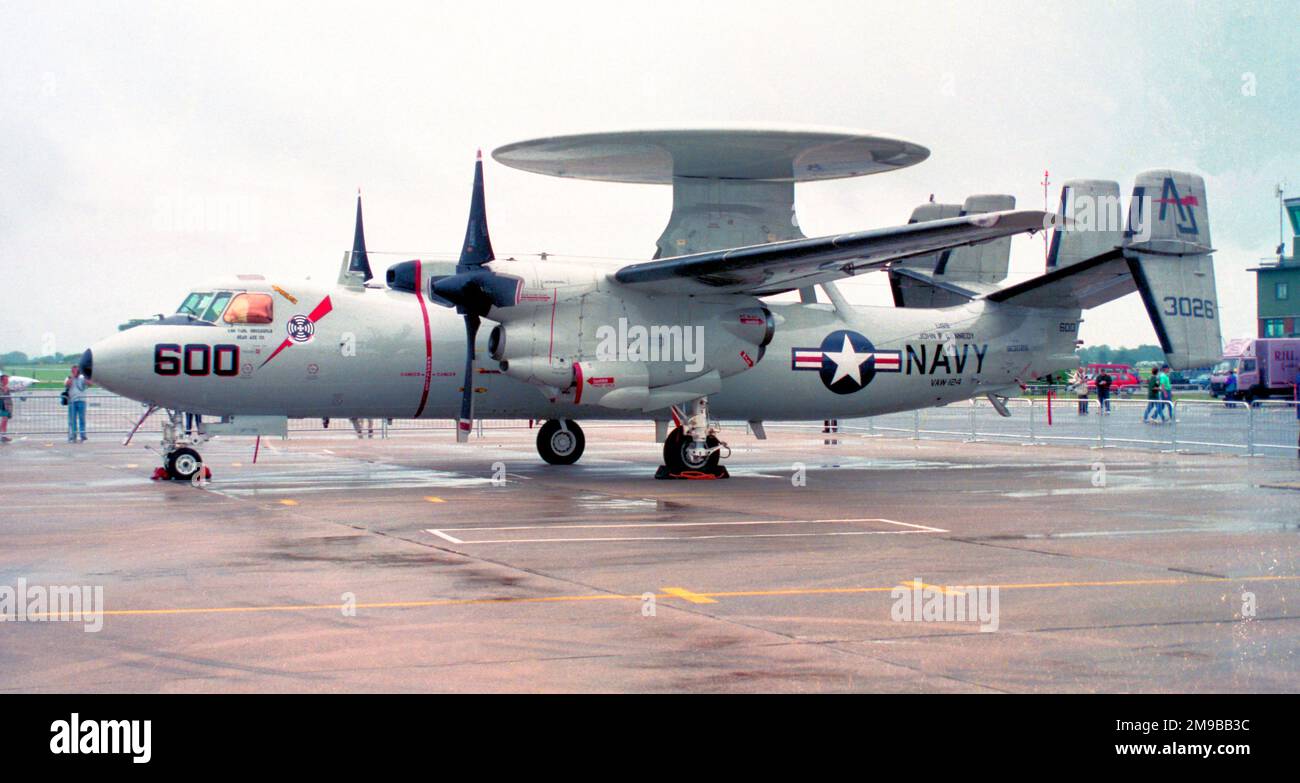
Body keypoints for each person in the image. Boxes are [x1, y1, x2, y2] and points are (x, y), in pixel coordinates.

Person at [64, 364, 89, 442]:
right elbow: (67, 384)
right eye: (74, 370)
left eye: (77, 370)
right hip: (72, 401)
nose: (75, 372)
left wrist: (84, 376)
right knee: (72, 419)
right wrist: (72, 377)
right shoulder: (68, 378)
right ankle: (73, 435)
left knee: (82, 419)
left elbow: (90, 383)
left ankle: (83, 435)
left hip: (81, 400)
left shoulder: (82, 378)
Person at [0, 374, 12, 443]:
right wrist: (4, 390)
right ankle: (2, 436)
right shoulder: (2, 387)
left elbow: (13, 390)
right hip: (2, 404)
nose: (7, 380)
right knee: (4, 420)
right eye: (6, 379)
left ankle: (3, 436)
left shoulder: (6, 386)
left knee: (5, 420)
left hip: (5, 405)